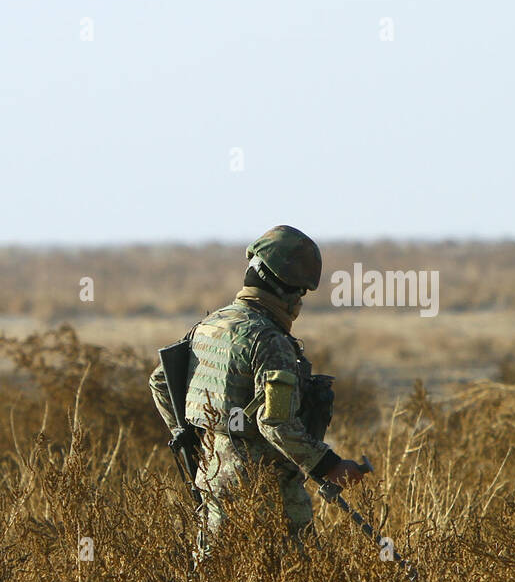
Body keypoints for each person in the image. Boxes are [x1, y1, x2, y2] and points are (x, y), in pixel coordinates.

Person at [150, 225, 365, 559]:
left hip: (212, 482)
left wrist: (195, 440)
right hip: (267, 494)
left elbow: (161, 383)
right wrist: (329, 465)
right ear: (290, 292)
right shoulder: (270, 341)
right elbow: (274, 423)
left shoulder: (209, 326)